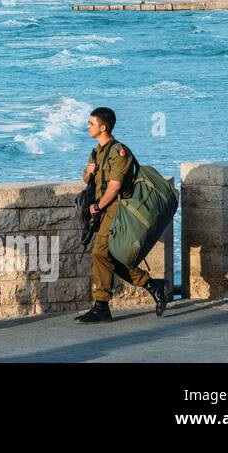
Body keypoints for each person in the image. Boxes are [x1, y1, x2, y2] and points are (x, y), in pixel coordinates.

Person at [74, 108, 168, 323]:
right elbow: (90, 181)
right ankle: (153, 286)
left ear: (103, 127)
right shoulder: (95, 152)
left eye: (91, 123)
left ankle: (101, 306)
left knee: (100, 253)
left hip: (117, 209)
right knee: (112, 256)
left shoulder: (119, 152)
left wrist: (97, 207)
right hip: (105, 210)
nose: (87, 126)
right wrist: (87, 173)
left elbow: (115, 187)